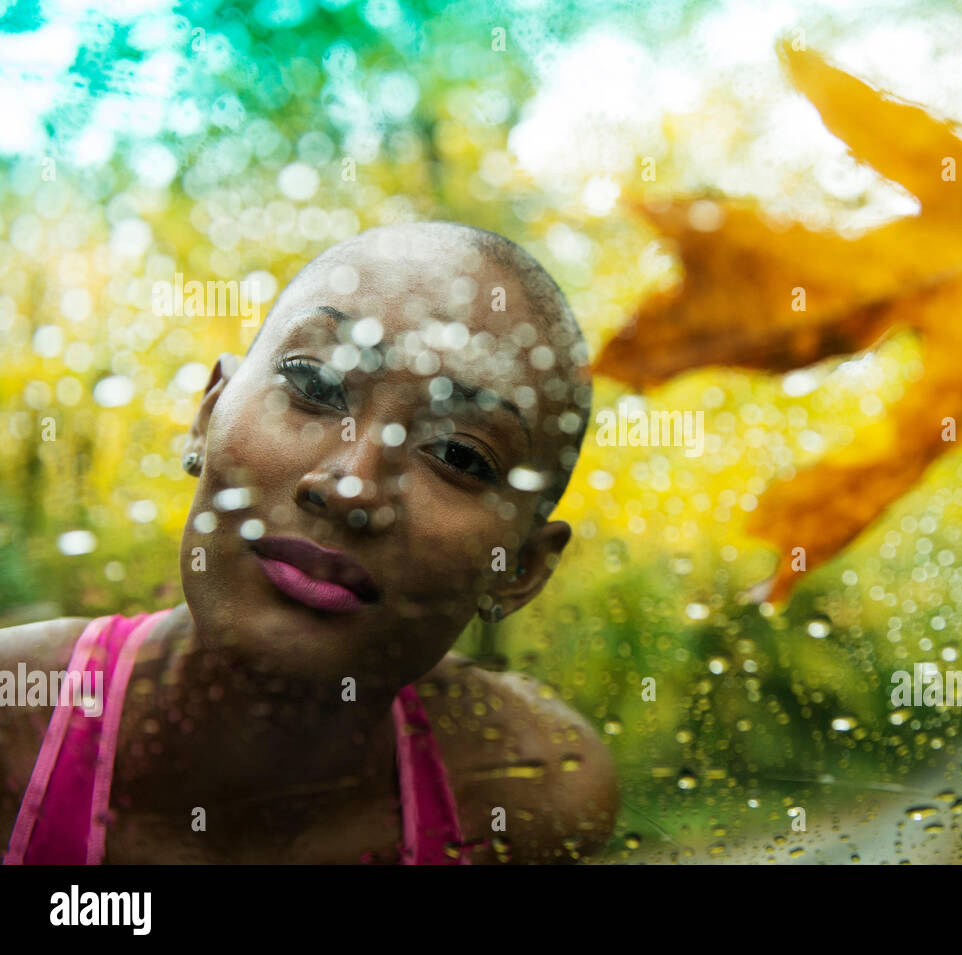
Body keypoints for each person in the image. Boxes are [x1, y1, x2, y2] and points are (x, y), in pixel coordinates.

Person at [0, 221, 618, 864]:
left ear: (519, 568)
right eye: (314, 385)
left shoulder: (535, 792)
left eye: (459, 454)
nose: (352, 486)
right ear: (208, 414)